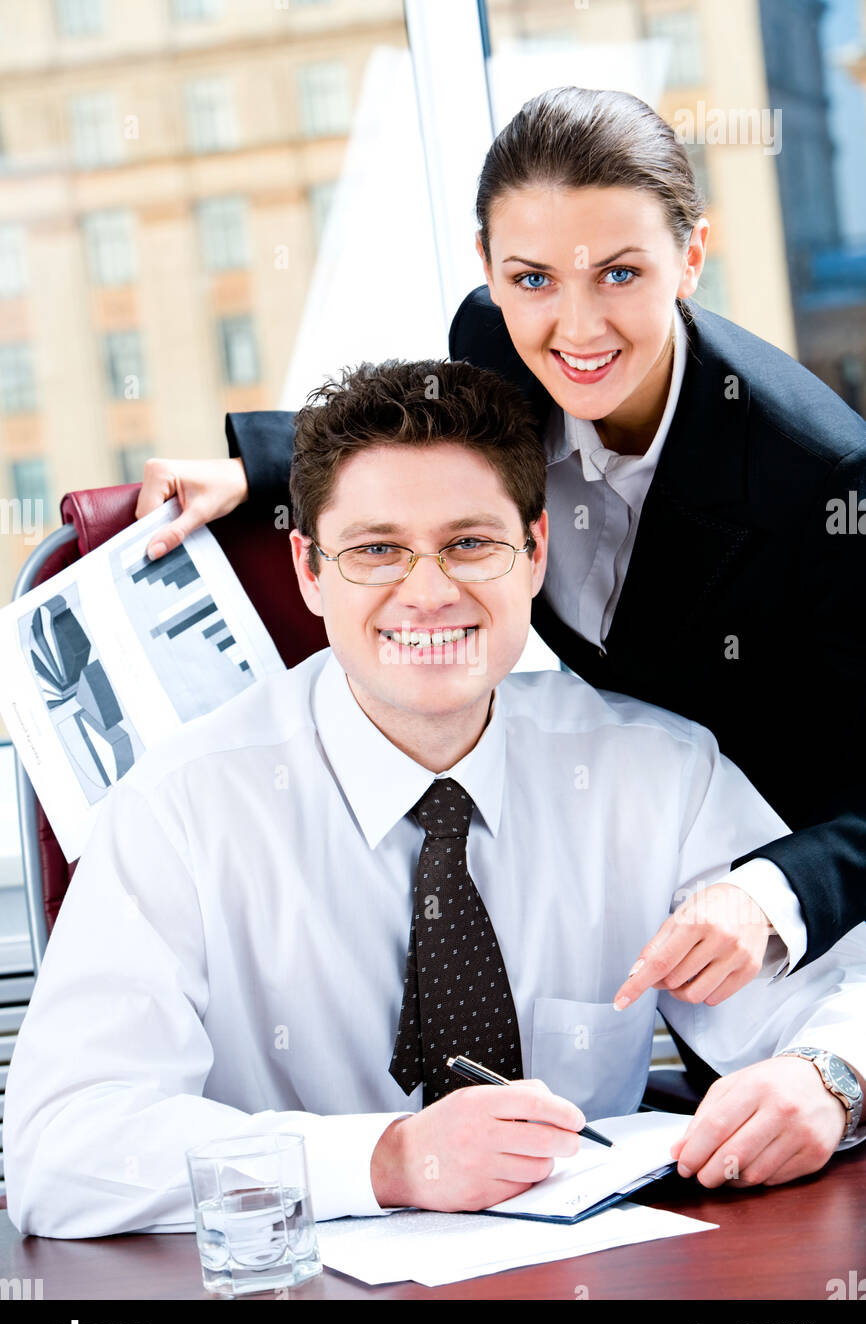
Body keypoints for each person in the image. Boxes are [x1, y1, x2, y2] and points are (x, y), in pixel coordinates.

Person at [4, 359, 863, 1239]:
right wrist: (387, 1161)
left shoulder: (656, 774)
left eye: (470, 543)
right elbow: (59, 1150)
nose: (427, 589)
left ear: (534, 553)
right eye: (376, 549)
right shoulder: (179, 811)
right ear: (309, 570)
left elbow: (840, 993)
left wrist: (828, 1078)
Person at [133, 87, 866, 1035]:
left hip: (793, 905)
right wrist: (261, 468)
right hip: (623, 870)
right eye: (533, 280)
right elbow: (446, 431)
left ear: (690, 258)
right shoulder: (493, 338)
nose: (577, 329)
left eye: (619, 274)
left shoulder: (823, 477)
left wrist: (775, 890)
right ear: (487, 268)